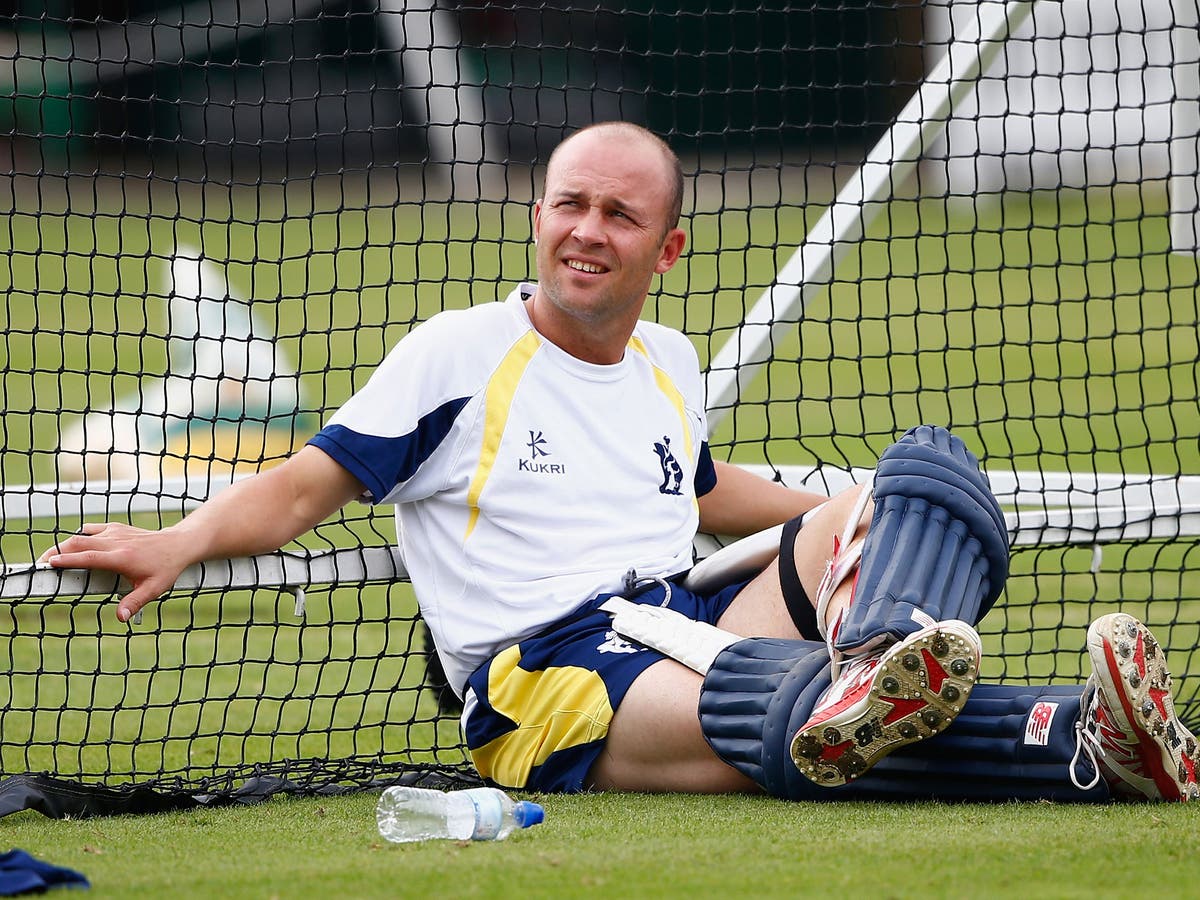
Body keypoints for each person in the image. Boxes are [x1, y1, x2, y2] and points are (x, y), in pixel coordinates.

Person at [42, 122, 1197, 804]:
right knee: (777, 706)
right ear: (538, 217)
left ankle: (884, 650)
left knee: (928, 472)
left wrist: (875, 521)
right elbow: (304, 484)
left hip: (676, 612)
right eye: (569, 205)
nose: (587, 230)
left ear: (669, 247)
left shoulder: (667, 358)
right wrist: (179, 537)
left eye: (619, 215)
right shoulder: (456, 353)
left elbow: (698, 495)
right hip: (542, 677)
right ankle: (1081, 744)